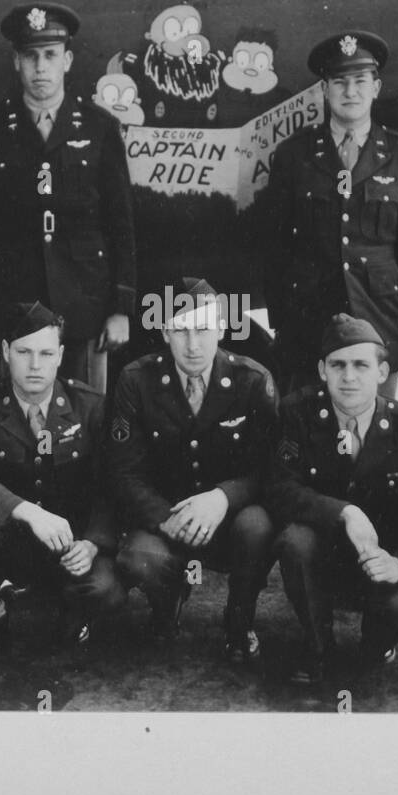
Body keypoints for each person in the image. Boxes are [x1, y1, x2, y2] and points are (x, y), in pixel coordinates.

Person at [0, 2, 136, 393]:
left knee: (87, 421)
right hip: (15, 310)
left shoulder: (100, 128)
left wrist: (122, 309)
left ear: (67, 60)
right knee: (19, 427)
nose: (40, 68)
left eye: (50, 55)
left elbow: (120, 223)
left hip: (84, 307)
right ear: (15, 62)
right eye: (30, 56)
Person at [0, 302, 125, 666]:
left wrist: (92, 544)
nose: (35, 365)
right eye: (24, 352)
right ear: (6, 352)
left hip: (69, 543)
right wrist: (26, 512)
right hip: (11, 539)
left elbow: (112, 487)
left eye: (45, 353)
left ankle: (71, 610)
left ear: (60, 355)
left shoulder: (89, 407)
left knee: (106, 591)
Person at [109, 278, 279, 659]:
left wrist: (222, 498)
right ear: (166, 331)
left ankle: (240, 620)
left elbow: (269, 470)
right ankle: (166, 603)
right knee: (139, 557)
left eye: (203, 329)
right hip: (165, 517)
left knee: (258, 526)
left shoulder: (253, 381)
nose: (193, 343)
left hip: (227, 519)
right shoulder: (136, 381)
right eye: (181, 330)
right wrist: (163, 517)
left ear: (221, 328)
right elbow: (124, 471)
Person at [266, 314, 398, 684]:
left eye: (361, 365)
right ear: (322, 370)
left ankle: (375, 645)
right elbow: (280, 488)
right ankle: (318, 647)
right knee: (294, 540)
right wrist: (344, 512)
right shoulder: (296, 415)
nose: (348, 376)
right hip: (324, 556)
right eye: (337, 365)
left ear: (382, 372)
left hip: (382, 560)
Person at [262, 30, 398, 398]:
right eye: (339, 82)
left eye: (359, 81)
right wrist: (281, 324)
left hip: (379, 318)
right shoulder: (295, 155)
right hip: (308, 322)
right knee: (306, 427)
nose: (350, 92)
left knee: (375, 434)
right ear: (324, 89)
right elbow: (273, 245)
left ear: (376, 87)